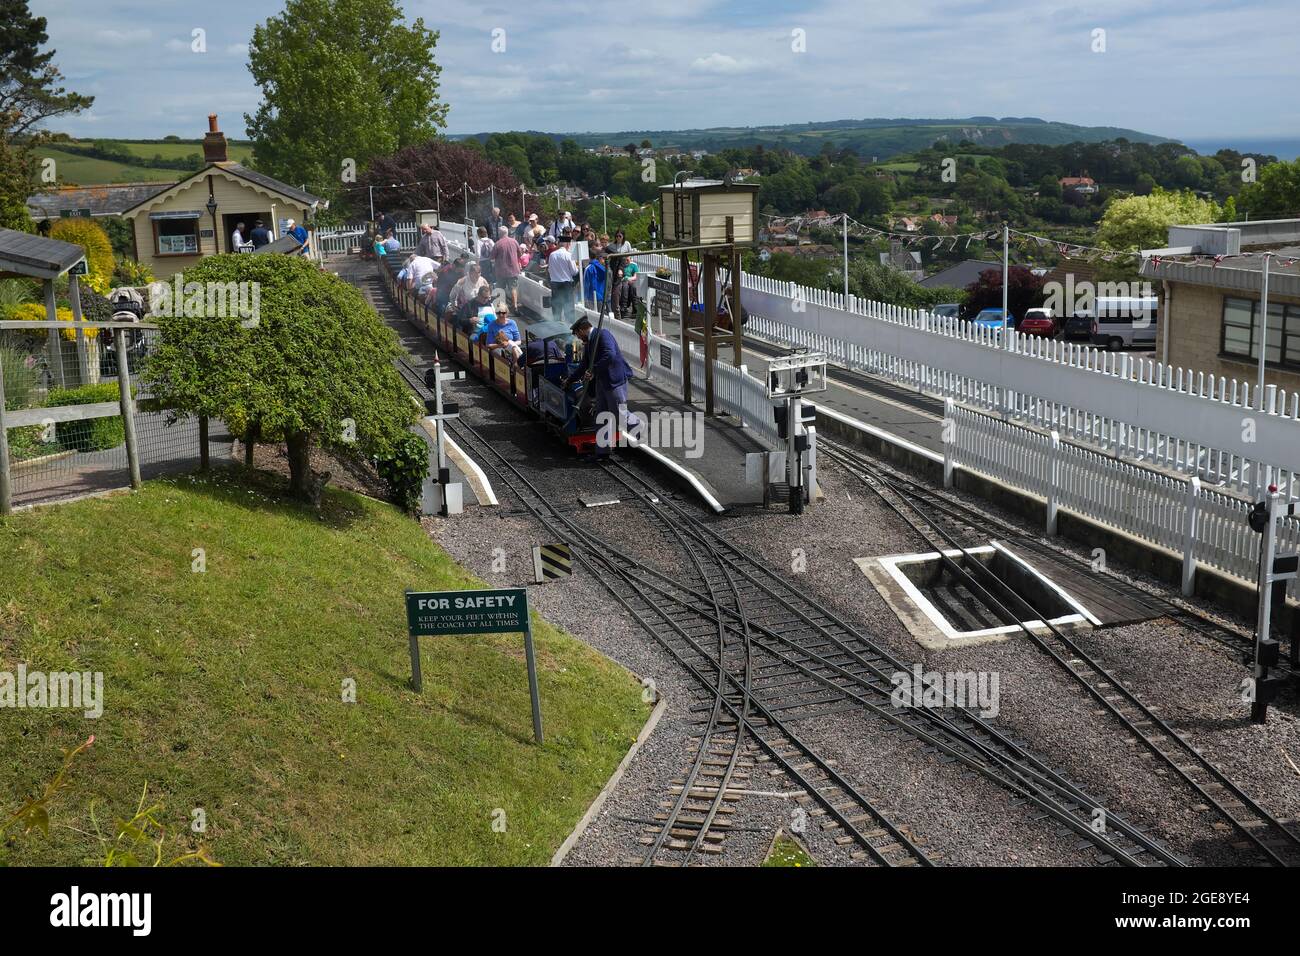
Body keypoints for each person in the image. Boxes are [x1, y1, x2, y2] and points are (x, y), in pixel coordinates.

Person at [570, 315, 641, 458]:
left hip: (614, 381)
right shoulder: (589, 342)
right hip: (602, 384)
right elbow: (584, 365)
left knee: (619, 414)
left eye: (577, 334)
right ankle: (602, 451)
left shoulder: (603, 335)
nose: (578, 337)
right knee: (601, 416)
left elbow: (610, 354)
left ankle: (639, 426)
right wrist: (570, 379)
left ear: (583, 329)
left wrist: (594, 370)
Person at [548, 232, 579, 324]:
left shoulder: (552, 255)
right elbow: (574, 272)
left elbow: (550, 270)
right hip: (566, 284)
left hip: (555, 283)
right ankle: (569, 329)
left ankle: (557, 328)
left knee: (556, 308)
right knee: (568, 308)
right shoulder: (568, 255)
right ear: (568, 244)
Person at [490, 225, 522, 314]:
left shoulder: (497, 244)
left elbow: (492, 257)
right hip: (513, 270)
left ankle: (501, 308)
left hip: (501, 271)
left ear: (499, 233)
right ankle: (515, 306)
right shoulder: (514, 241)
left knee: (500, 288)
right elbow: (520, 254)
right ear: (507, 233)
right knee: (513, 288)